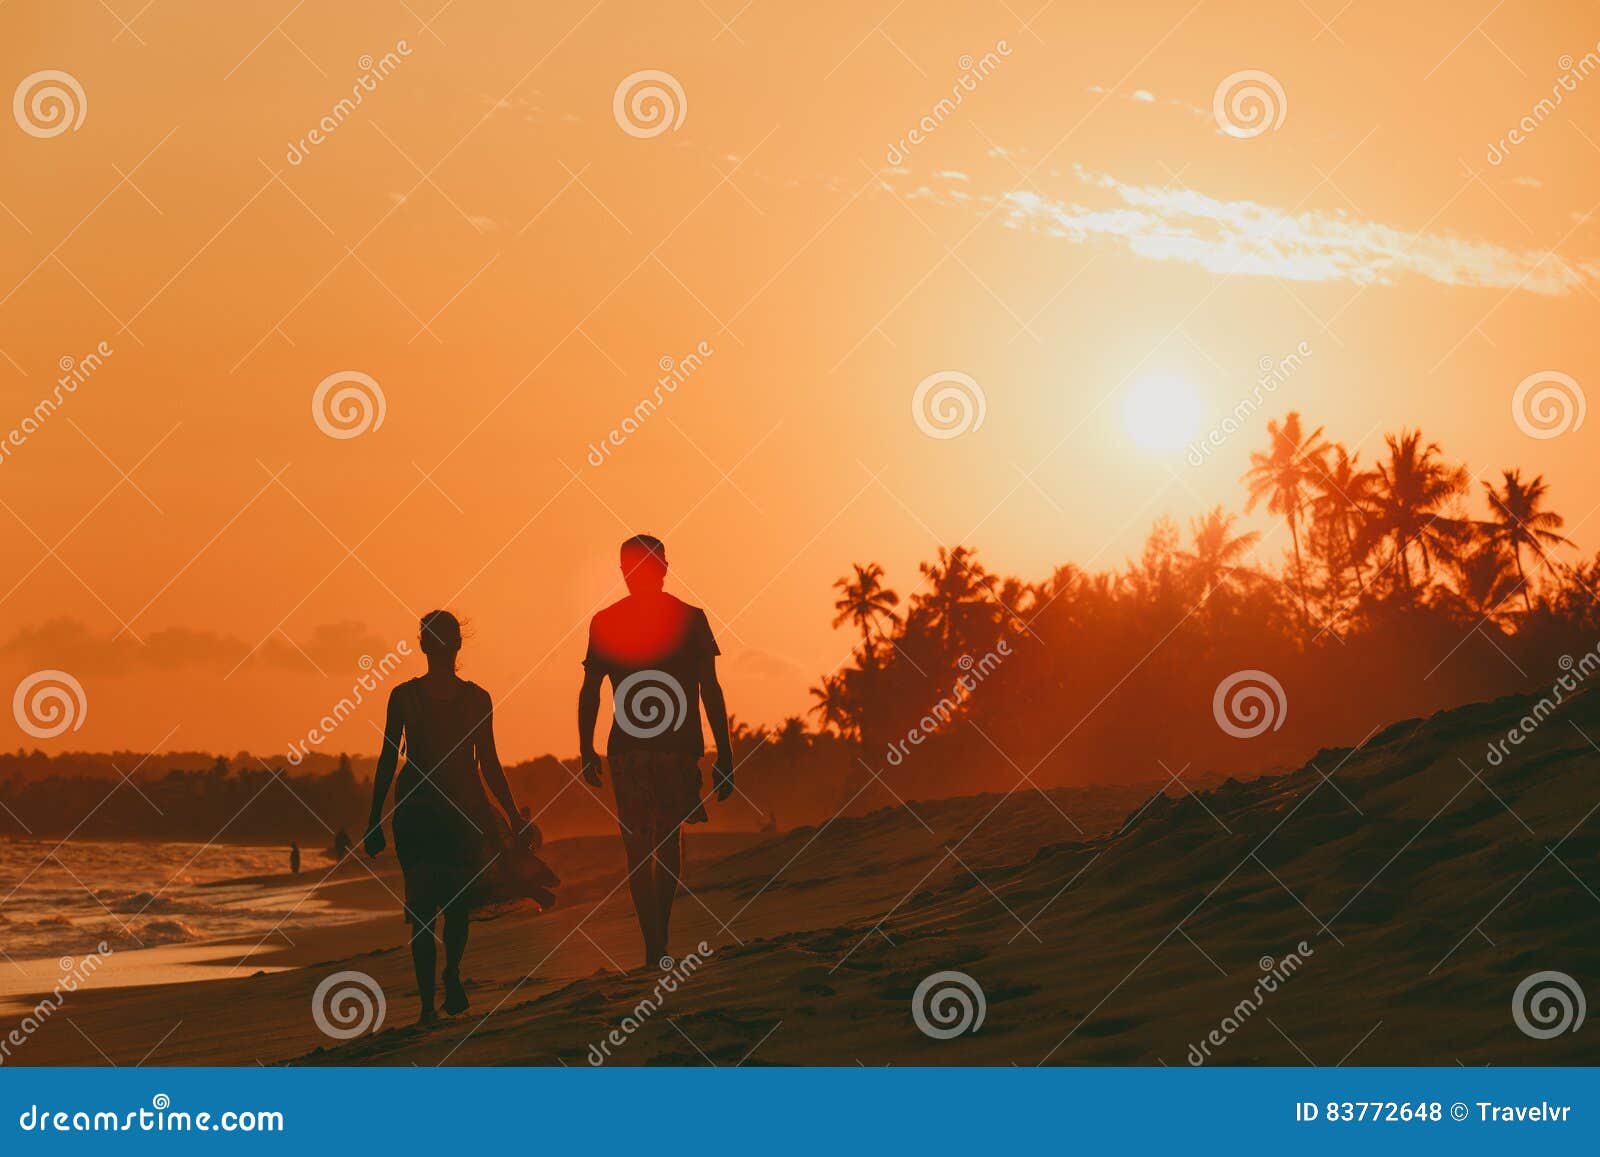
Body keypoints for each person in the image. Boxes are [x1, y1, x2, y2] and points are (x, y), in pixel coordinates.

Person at [365, 610, 528, 1026]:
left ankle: (425, 1007)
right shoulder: (476, 698)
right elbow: (488, 763)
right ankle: (451, 973)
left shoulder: (404, 697)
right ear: (457, 645)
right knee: (457, 905)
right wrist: (510, 813)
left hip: (418, 811)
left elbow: (388, 760)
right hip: (462, 809)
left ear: (422, 645)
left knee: (421, 909)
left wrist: (373, 820)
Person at [578, 534, 734, 969]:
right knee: (665, 844)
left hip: (635, 749)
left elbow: (591, 690)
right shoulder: (688, 618)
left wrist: (586, 747)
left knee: (639, 849)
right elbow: (710, 691)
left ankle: (654, 944)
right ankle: (657, 942)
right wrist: (725, 753)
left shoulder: (612, 621)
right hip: (669, 749)